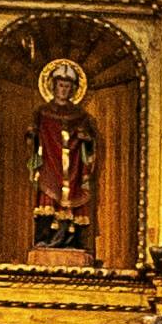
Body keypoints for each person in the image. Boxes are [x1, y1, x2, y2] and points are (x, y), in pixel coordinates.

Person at [29, 52, 101, 262]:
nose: (64, 90)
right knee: (49, 199)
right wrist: (32, 136)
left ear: (73, 90)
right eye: (61, 85)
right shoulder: (42, 112)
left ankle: (71, 240)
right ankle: (46, 238)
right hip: (50, 165)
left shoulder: (81, 115)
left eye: (68, 87)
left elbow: (91, 142)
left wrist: (85, 139)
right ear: (53, 86)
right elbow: (33, 139)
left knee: (73, 202)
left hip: (74, 168)